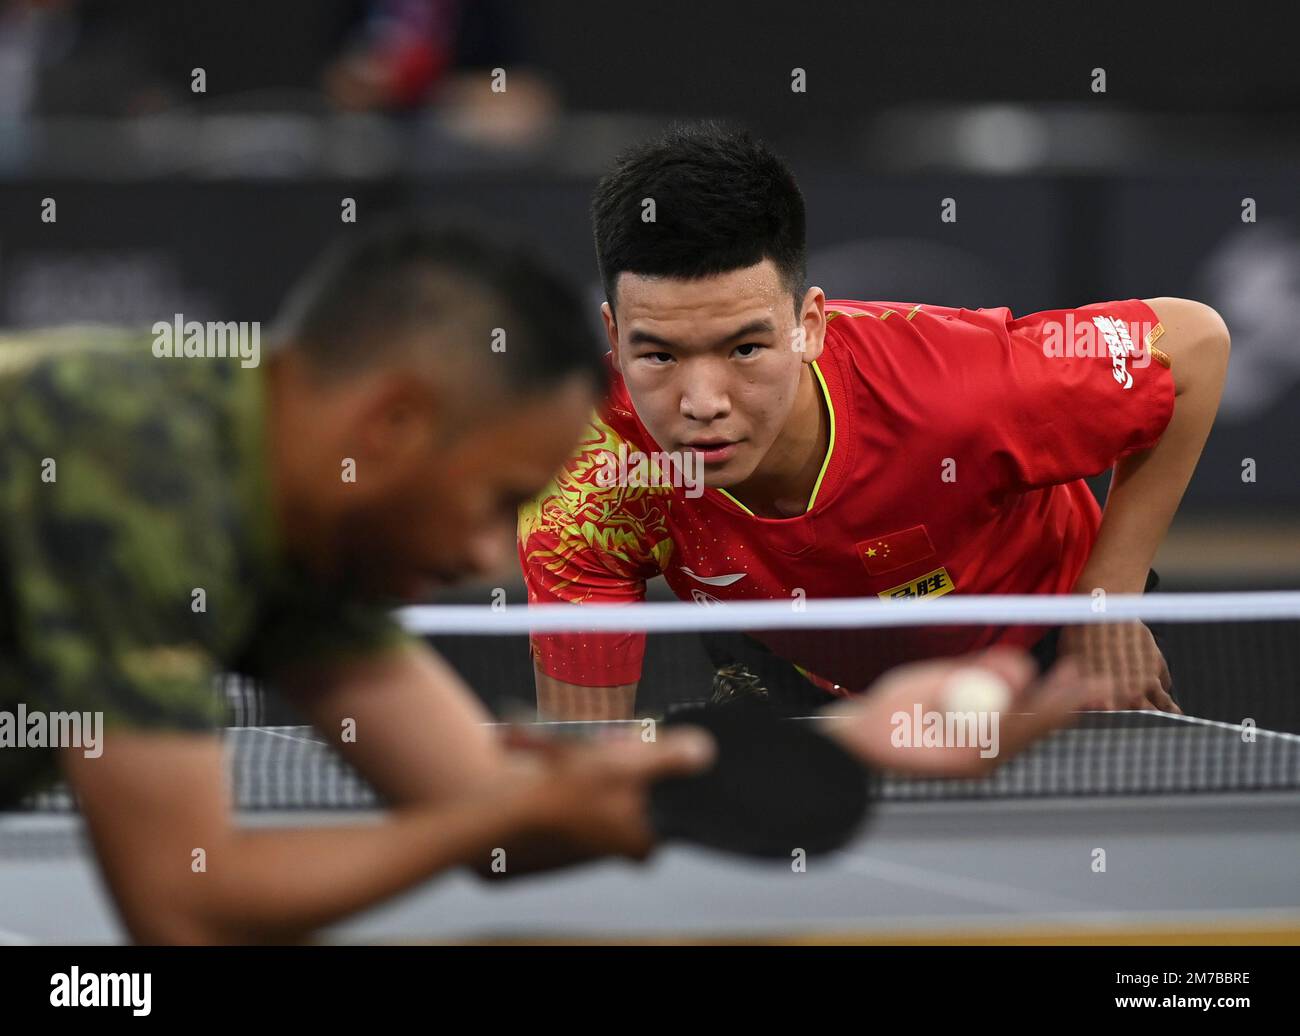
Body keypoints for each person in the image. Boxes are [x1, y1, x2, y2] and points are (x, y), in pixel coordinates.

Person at [0, 216, 1082, 944]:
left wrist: (848, 740)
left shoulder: (305, 517)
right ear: (389, 425)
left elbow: (490, 811)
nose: (488, 556)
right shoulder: (135, 472)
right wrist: (504, 813)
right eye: (494, 497)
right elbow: (186, 903)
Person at [519, 123, 1231, 720]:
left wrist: (1104, 603)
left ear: (810, 324)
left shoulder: (961, 390)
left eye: (746, 348)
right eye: (659, 355)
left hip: (1040, 645)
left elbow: (1196, 344)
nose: (703, 401)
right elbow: (584, 758)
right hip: (791, 658)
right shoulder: (588, 487)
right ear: (612, 338)